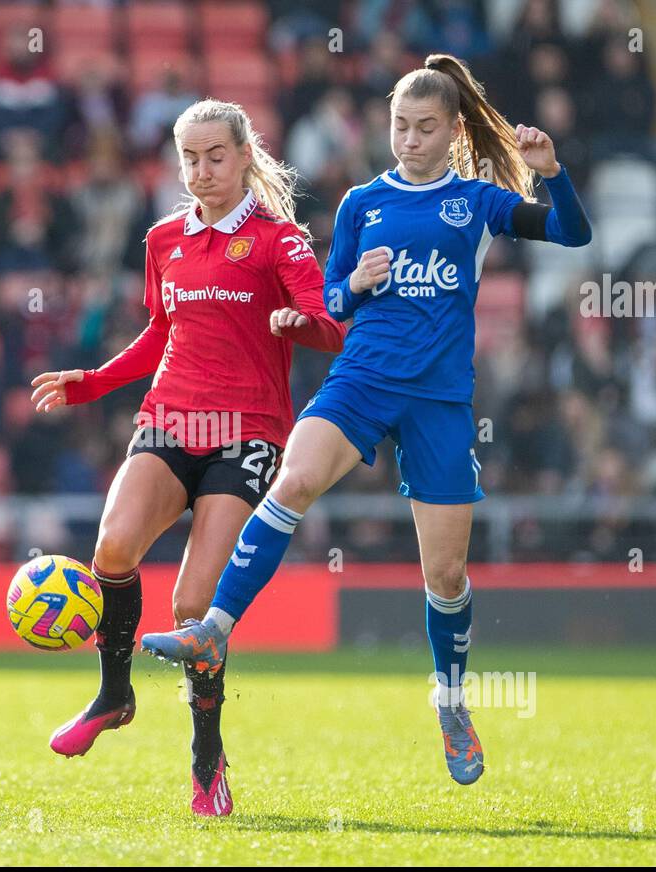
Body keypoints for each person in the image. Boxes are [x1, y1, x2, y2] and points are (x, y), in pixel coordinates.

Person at [142, 54, 592, 787]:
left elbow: (573, 236)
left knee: (445, 574)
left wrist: (552, 173)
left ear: (451, 132)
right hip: (362, 381)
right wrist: (352, 283)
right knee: (292, 480)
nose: (408, 140)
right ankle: (213, 634)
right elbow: (330, 307)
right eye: (399, 127)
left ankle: (450, 702)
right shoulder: (361, 203)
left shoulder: (477, 201)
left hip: (440, 399)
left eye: (424, 128)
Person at [29, 99, 346, 815]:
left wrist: (303, 324)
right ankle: (114, 694)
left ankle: (207, 754)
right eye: (190, 160)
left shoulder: (280, 241)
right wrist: (93, 382)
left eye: (216, 157)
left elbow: (332, 329)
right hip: (169, 418)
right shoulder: (165, 239)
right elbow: (159, 334)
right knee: (111, 548)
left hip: (249, 433)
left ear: (243, 157)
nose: (202, 172)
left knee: (194, 606)